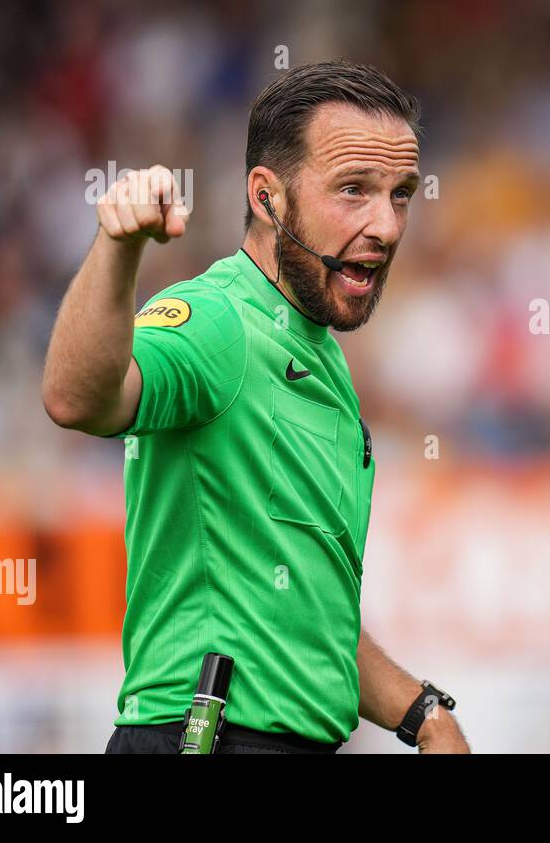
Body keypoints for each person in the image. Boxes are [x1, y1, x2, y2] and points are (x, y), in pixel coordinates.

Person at [42, 61, 469, 754]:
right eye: (353, 190)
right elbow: (76, 399)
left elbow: (305, 613)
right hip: (202, 738)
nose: (387, 226)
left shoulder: (321, 357)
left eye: (401, 194)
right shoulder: (218, 321)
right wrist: (117, 247)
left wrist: (424, 715)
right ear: (267, 198)